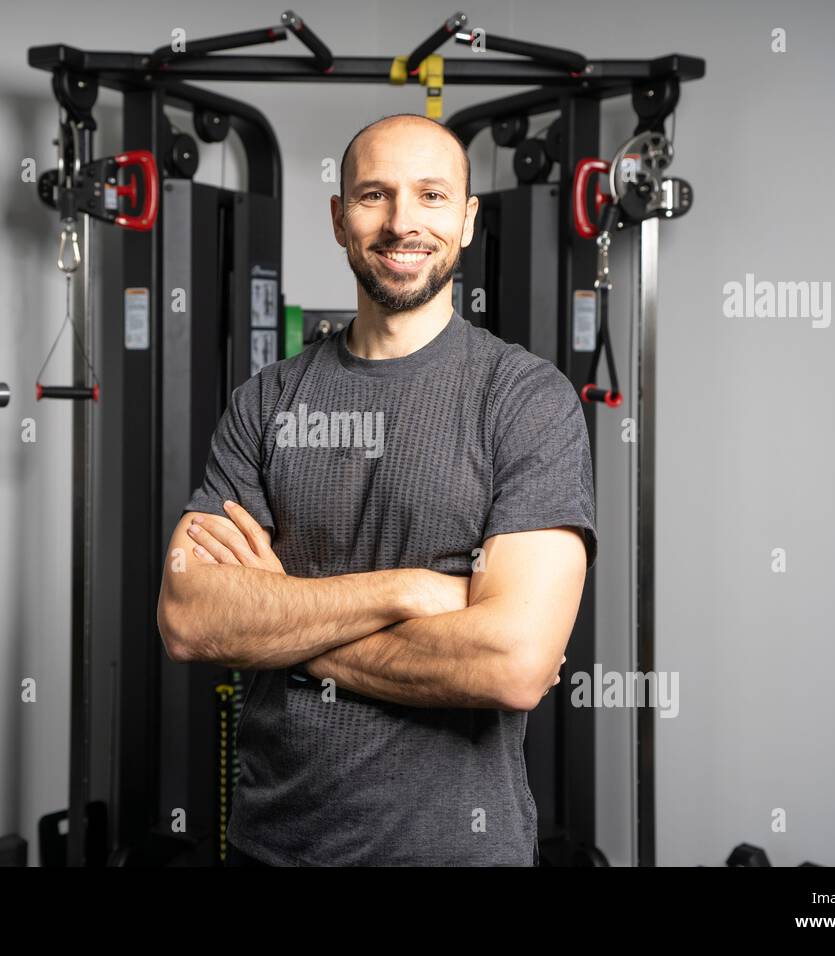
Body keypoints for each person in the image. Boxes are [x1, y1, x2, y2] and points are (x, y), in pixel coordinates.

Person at [157, 112, 598, 866]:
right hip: (272, 850)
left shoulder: (525, 400)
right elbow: (191, 620)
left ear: (467, 220)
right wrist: (413, 591)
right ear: (339, 218)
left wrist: (286, 631)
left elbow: (514, 663)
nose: (402, 222)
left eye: (431, 196)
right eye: (374, 195)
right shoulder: (266, 403)